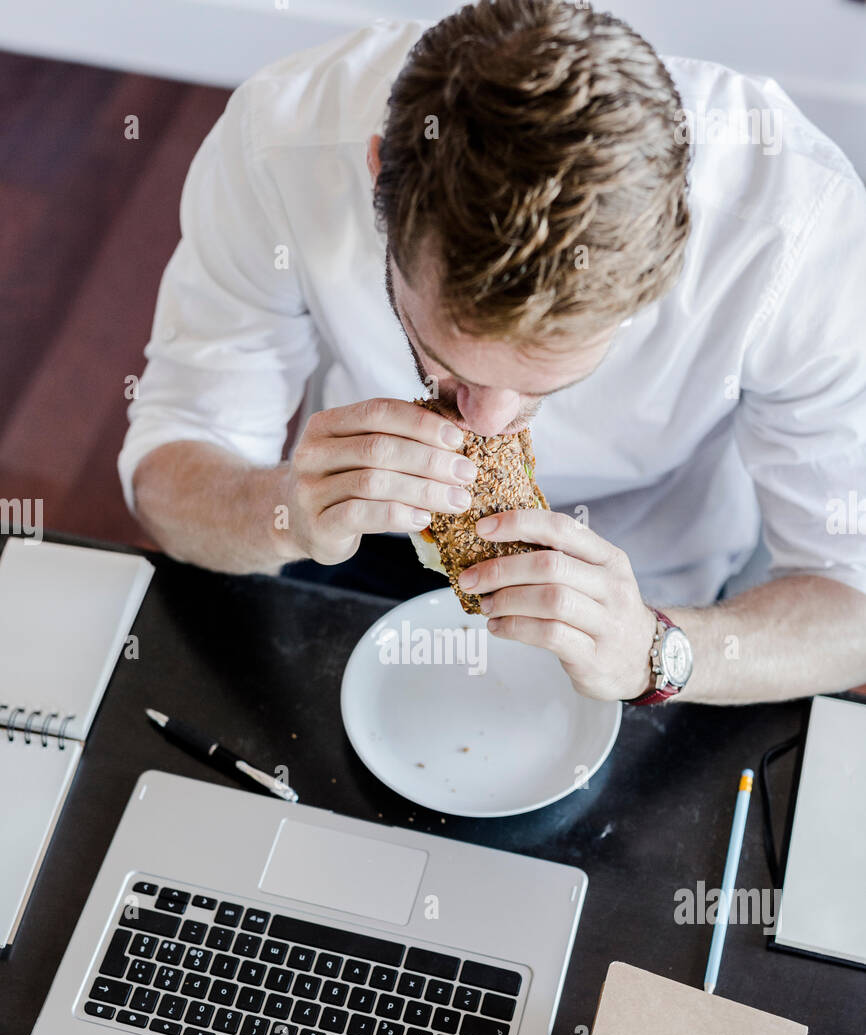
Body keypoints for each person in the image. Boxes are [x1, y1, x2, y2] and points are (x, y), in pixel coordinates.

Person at [119, 1, 866, 705]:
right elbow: (168, 471)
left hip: (666, 587)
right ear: (381, 178)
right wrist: (282, 508)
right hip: (358, 546)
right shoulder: (282, 147)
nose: (490, 426)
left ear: (669, 261)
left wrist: (658, 650)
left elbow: (852, 603)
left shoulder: (795, 233)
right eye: (453, 365)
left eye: (545, 381)